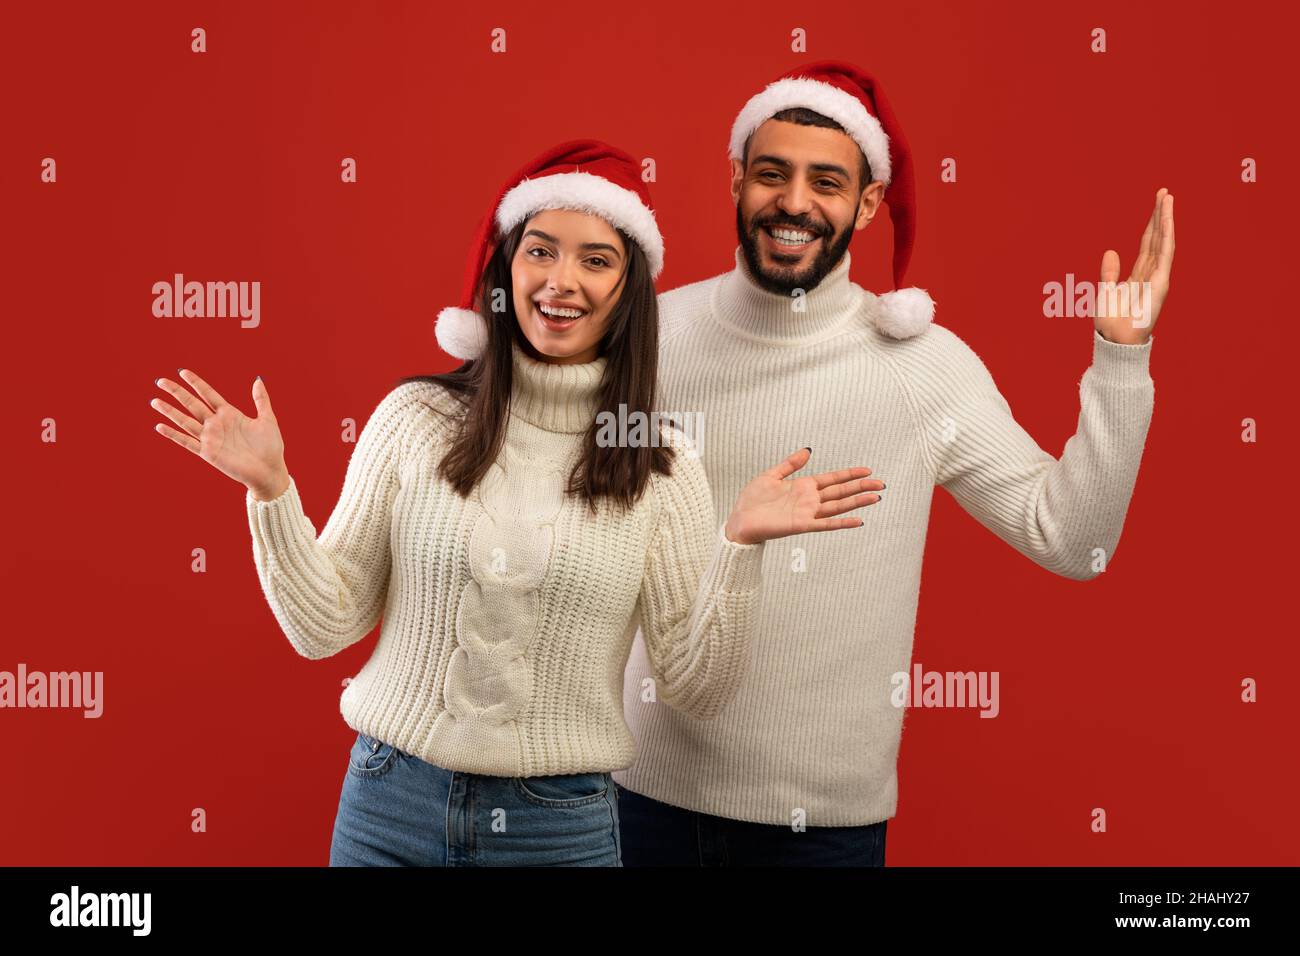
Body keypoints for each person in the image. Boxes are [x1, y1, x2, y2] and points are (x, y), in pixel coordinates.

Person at [437, 60, 1174, 866]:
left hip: (822, 827)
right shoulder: (653, 342)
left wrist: (1120, 359)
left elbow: (1072, 539)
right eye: (771, 174)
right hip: (626, 797)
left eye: (826, 181)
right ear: (735, 183)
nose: (794, 203)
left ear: (865, 203)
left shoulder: (922, 366)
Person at [149, 139, 882, 866]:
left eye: (596, 260)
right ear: (507, 268)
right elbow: (324, 627)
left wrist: (739, 548)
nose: (562, 281)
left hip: (558, 829)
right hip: (389, 805)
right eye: (541, 251)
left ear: (627, 292)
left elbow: (695, 689)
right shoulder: (415, 419)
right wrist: (273, 492)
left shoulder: (659, 466)